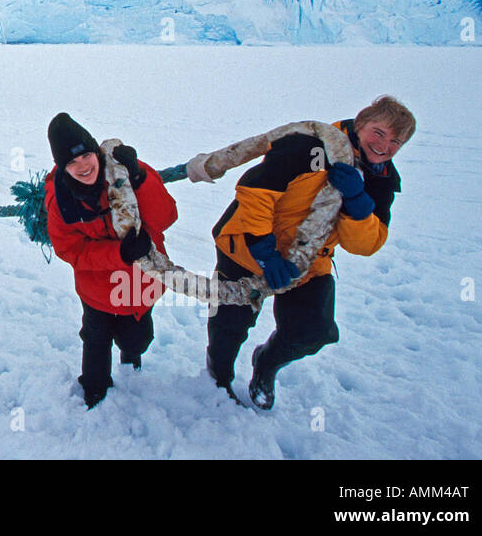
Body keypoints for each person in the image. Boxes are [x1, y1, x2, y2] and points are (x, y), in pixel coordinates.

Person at [202, 95, 415, 409]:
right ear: (361, 123)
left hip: (308, 261)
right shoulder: (309, 144)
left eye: (396, 141)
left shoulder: (380, 181)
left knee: (313, 331)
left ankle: (267, 363)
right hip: (245, 247)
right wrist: (265, 251)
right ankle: (218, 380)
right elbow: (255, 191)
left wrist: (358, 205)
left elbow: (366, 244)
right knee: (229, 324)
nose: (384, 146)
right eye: (378, 132)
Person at [44, 112, 179, 409]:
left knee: (136, 340)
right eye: (72, 162)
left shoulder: (127, 173)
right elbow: (71, 250)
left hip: (139, 283)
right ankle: (94, 388)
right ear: (62, 167)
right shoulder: (60, 199)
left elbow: (167, 216)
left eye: (86, 156)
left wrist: (141, 179)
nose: (82, 166)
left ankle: (131, 359)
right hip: (96, 287)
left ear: (95, 152)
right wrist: (118, 254)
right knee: (95, 338)